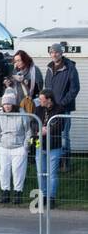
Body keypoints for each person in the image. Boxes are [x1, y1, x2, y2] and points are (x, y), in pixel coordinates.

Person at [43, 41, 78, 174]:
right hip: (51, 108)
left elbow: (75, 89)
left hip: (64, 109)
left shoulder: (70, 67)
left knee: (64, 136)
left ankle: (65, 163)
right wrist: (47, 102)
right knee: (52, 134)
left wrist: (62, 104)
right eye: (52, 52)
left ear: (61, 53)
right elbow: (47, 88)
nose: (54, 54)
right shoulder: (49, 68)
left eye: (56, 52)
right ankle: (54, 163)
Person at [0, 91, 31, 204]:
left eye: (9, 104)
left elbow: (28, 131)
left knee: (18, 171)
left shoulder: (22, 114)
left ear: (13, 104)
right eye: (5, 104)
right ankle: (5, 193)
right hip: (3, 147)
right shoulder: (0, 115)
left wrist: (25, 146)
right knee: (4, 171)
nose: (7, 106)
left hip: (19, 147)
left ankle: (18, 193)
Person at [33, 87, 63, 208]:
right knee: (41, 172)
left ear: (49, 99)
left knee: (52, 174)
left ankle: (51, 198)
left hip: (54, 146)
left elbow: (60, 125)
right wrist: (39, 130)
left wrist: (47, 130)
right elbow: (33, 122)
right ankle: (42, 196)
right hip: (39, 145)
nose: (39, 101)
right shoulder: (38, 109)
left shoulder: (59, 109)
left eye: (41, 99)